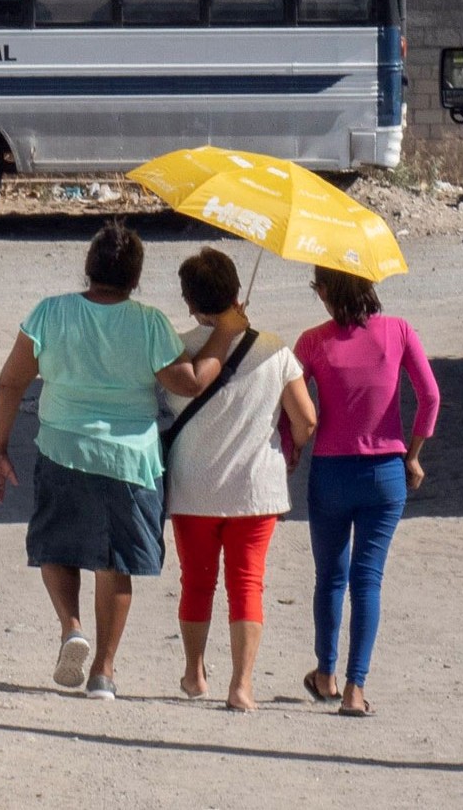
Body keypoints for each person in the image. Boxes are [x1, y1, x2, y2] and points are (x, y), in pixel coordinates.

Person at [0, 223, 234, 699]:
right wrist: (223, 333)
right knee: (113, 563)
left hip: (63, 449)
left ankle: (71, 627)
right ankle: (103, 670)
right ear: (135, 278)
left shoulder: (50, 314)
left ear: (89, 267)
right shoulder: (149, 322)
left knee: (55, 546)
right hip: (129, 459)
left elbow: (9, 384)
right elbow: (190, 382)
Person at [162, 248, 315, 711]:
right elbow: (305, 420)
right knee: (247, 584)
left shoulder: (176, 348)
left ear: (190, 303)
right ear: (235, 293)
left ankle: (193, 672)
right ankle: (242, 686)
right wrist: (291, 451)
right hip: (256, 489)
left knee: (196, 581)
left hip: (192, 489)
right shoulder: (276, 350)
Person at [289, 264, 433, 717]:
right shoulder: (399, 331)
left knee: (330, 576)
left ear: (327, 290)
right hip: (386, 474)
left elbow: (289, 401)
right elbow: (429, 397)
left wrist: (291, 450)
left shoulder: (311, 342)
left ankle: (325, 673)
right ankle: (355, 690)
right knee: (367, 579)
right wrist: (413, 454)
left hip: (330, 472)